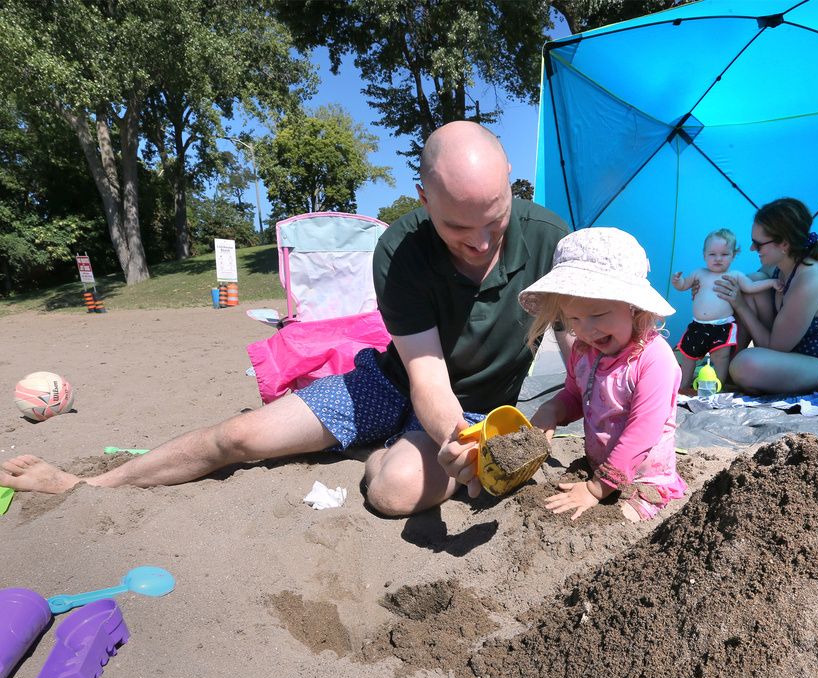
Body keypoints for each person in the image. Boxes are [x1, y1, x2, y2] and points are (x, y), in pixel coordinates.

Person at [0, 121, 570, 517]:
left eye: (493, 220)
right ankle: (86, 483)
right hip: (395, 383)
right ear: (423, 198)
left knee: (392, 491)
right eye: (457, 228)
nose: (479, 242)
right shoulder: (400, 249)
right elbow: (426, 377)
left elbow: (587, 359)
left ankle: (377, 454)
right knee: (241, 435)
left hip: (479, 412)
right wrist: (454, 437)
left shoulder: (551, 243)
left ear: (510, 182)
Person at [518, 227, 688, 523]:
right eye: (574, 318)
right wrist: (552, 410)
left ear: (634, 308)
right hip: (598, 465)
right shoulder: (583, 352)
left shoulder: (654, 360)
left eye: (597, 315)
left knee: (623, 517)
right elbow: (574, 395)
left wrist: (597, 490)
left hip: (645, 478)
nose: (585, 329)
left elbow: (642, 431)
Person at [713, 197, 818, 394]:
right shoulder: (782, 263)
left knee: (745, 365)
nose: (752, 249)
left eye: (758, 244)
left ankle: (738, 370)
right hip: (796, 354)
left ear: (784, 244)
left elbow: (776, 347)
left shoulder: (810, 279)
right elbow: (746, 287)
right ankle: (726, 371)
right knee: (753, 282)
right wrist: (706, 285)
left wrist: (740, 305)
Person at [671, 228, 781, 388]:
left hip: (722, 326)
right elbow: (684, 285)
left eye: (724, 254)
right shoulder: (699, 273)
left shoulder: (735, 275)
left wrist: (771, 282)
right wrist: (677, 281)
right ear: (704, 255)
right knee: (688, 356)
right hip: (697, 326)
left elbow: (751, 287)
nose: (718, 259)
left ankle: (719, 385)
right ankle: (683, 385)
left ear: (733, 256)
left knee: (721, 358)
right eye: (712, 254)